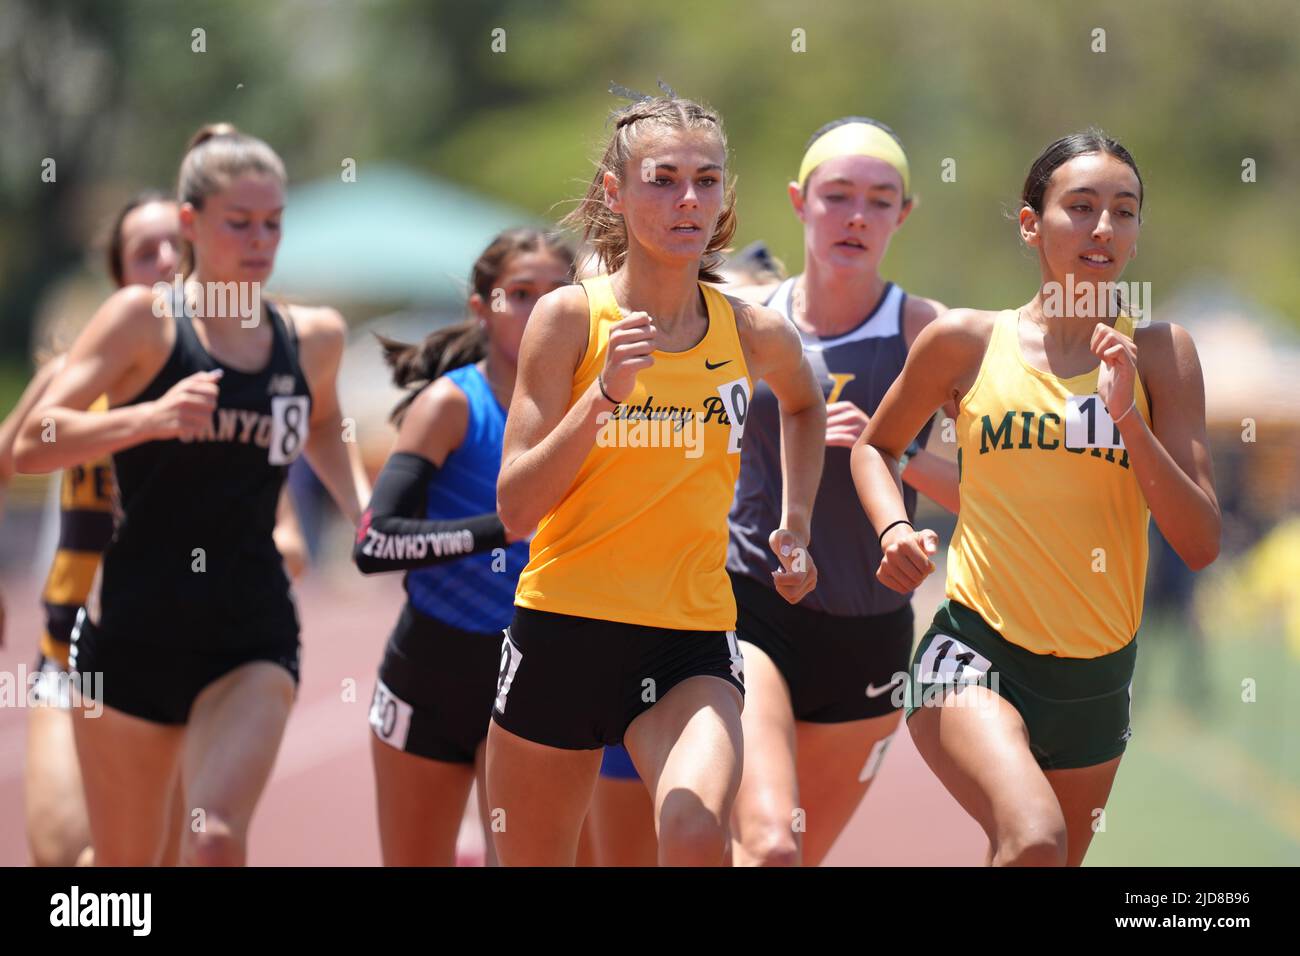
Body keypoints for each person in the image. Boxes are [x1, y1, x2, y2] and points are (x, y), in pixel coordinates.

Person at [851, 129, 1221, 866]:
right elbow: (876, 444)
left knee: (1032, 858)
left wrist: (1127, 418)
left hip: (1096, 679)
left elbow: (1200, 542)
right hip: (973, 652)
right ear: (1032, 225)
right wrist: (895, 529)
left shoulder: (1161, 356)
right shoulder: (965, 342)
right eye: (1080, 207)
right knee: (1033, 837)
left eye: (1124, 210)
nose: (1104, 228)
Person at [488, 90, 826, 867]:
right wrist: (603, 396)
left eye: (707, 180)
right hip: (564, 629)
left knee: (694, 830)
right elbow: (515, 507)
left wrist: (796, 522)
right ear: (616, 191)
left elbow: (805, 405)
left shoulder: (750, 329)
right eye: (663, 178)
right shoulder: (570, 320)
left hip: (688, 639)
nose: (688, 200)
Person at [13, 123, 362, 866]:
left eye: (273, 223)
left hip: (251, 635)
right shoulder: (143, 322)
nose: (260, 240)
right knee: (120, 879)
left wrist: (367, 510)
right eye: (239, 223)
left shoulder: (313, 338)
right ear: (190, 224)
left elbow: (326, 423)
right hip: (131, 639)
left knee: (212, 836)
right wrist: (148, 418)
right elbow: (25, 444)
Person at [727, 117, 959, 866]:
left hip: (870, 626)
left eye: (880, 200)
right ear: (799, 202)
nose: (856, 216)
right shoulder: (750, 322)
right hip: (752, 601)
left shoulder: (929, 332)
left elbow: (984, 495)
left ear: (905, 214)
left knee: (798, 854)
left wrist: (895, 450)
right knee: (766, 845)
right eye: (837, 196)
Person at [355, 227, 574, 866]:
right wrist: (498, 528)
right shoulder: (451, 406)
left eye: (554, 294)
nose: (536, 311)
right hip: (430, 670)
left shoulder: (592, 410)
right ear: (483, 308)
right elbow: (374, 542)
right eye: (519, 294)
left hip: (536, 672)